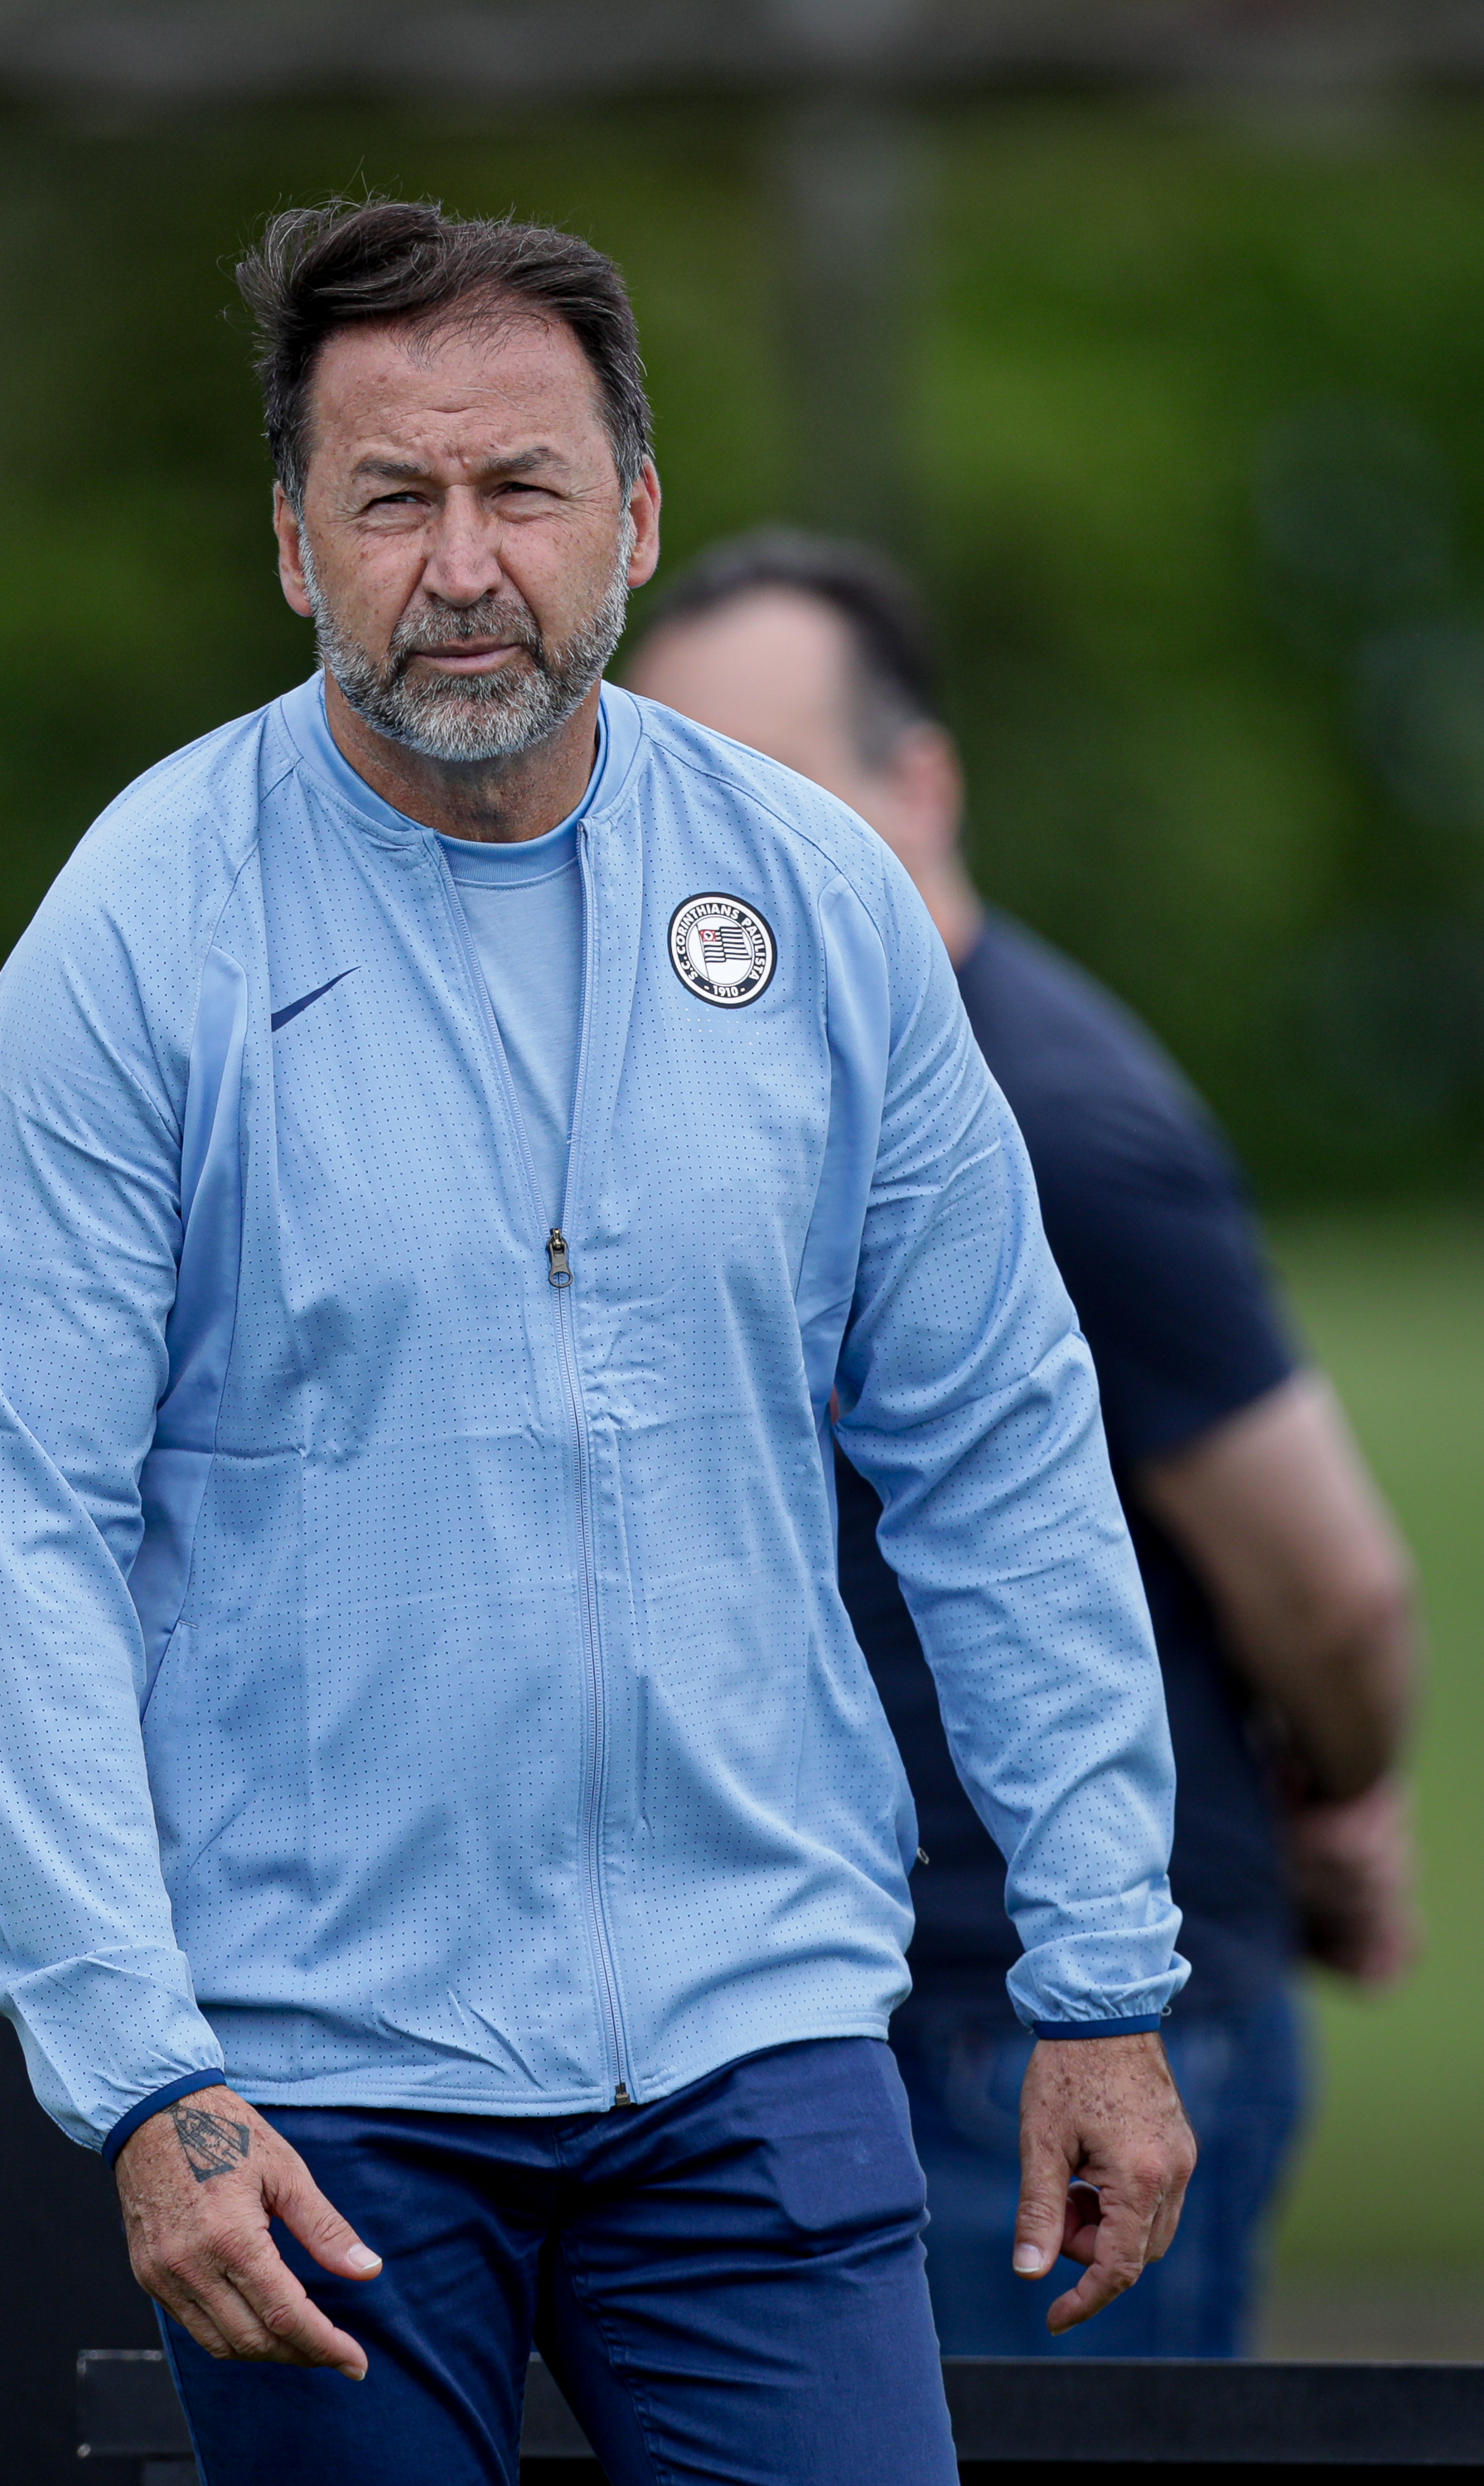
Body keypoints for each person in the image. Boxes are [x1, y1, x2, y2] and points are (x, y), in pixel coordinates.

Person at [0, 198, 1196, 2486]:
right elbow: (22, 1523)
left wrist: (1096, 1976)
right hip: (308, 2086)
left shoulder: (816, 903)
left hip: (757, 2039)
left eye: (517, 491)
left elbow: (998, 1448)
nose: (460, 563)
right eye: (388, 499)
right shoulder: (135, 930)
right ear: (295, 546)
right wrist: (135, 2070)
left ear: (627, 516)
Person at [625, 527, 1419, 2358]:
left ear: (923, 781)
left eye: (783, 784)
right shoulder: (748, 1070)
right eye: (692, 787)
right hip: (828, 2009)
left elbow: (1337, 1593)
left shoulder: (1053, 1121)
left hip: (1025, 2041)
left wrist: (1336, 1798)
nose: (728, 847)